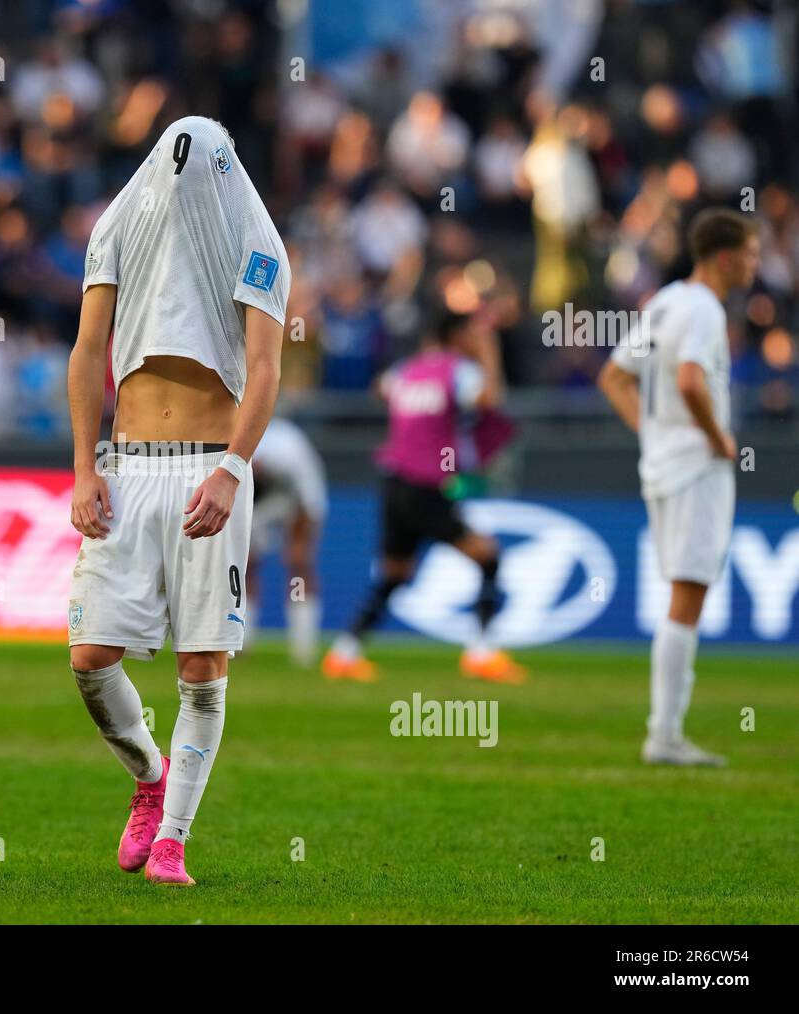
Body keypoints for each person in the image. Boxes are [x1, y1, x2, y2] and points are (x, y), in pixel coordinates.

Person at [67, 116, 289, 886]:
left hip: (205, 467)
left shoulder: (261, 248)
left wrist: (232, 467)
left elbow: (263, 369)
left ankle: (174, 839)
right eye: (175, 159)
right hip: (126, 467)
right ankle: (150, 775)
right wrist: (83, 467)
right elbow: (88, 350)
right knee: (90, 660)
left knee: (203, 667)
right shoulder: (118, 228)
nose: (186, 177)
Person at [598, 208, 758, 766]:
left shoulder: (664, 301)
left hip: (662, 464)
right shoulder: (706, 310)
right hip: (695, 467)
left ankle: (665, 732)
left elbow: (614, 377)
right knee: (688, 598)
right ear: (725, 257)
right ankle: (664, 735)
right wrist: (716, 438)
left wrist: (653, 434)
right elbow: (691, 380)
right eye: (751, 252)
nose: (756, 262)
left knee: (682, 594)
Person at [321, 310, 524, 683]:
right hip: (429, 483)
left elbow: (379, 388)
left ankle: (344, 653)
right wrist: (489, 352)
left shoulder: (406, 370)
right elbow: (490, 398)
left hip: (394, 479)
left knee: (395, 573)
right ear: (459, 337)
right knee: (488, 556)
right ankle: (481, 652)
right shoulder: (460, 371)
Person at [248, 416, 327, 666]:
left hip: (298, 502)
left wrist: (300, 542)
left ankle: (303, 647)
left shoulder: (288, 450)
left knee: (298, 566)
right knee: (243, 565)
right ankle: (241, 641)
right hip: (254, 501)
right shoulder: (233, 438)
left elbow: (308, 500)